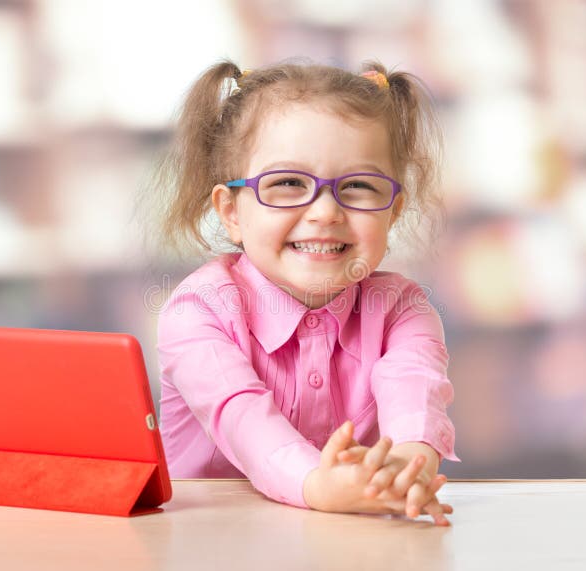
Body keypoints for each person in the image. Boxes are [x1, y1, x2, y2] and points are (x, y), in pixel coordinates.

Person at [153, 59, 459, 524]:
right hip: (211, 540)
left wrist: (404, 468)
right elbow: (240, 415)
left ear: (393, 212)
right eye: (288, 183)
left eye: (357, 186)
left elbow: (415, 389)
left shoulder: (403, 310)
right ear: (231, 211)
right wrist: (317, 483)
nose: (325, 212)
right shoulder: (198, 313)